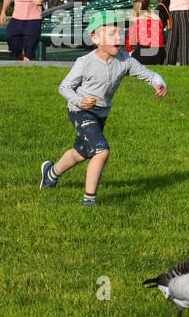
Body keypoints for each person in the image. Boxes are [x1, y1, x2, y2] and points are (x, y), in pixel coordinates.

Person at [40, 11, 168, 207]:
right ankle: (89, 200)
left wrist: (159, 83)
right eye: (111, 34)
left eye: (120, 33)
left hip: (100, 114)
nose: (118, 38)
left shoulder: (125, 61)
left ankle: (50, 173)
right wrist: (80, 101)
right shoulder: (84, 63)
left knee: (80, 153)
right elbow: (64, 88)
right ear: (95, 38)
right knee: (101, 150)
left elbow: (150, 75)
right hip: (79, 111)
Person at [125, 0, 164, 65]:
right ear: (148, 4)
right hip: (160, 53)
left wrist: (128, 51)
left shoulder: (135, 20)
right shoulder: (157, 18)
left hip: (144, 53)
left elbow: (130, 42)